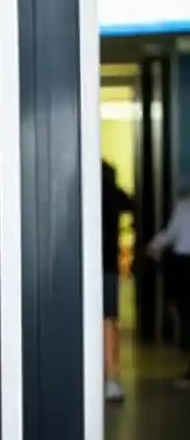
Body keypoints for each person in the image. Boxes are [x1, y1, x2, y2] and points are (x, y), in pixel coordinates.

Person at [148, 187, 190, 388]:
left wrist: (153, 248)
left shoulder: (184, 206)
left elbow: (170, 234)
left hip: (185, 267)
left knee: (187, 315)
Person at [101, 161, 134, 402]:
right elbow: (131, 204)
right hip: (107, 266)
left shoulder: (79, 193)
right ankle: (112, 380)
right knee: (109, 321)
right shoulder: (114, 194)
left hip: (81, 267)